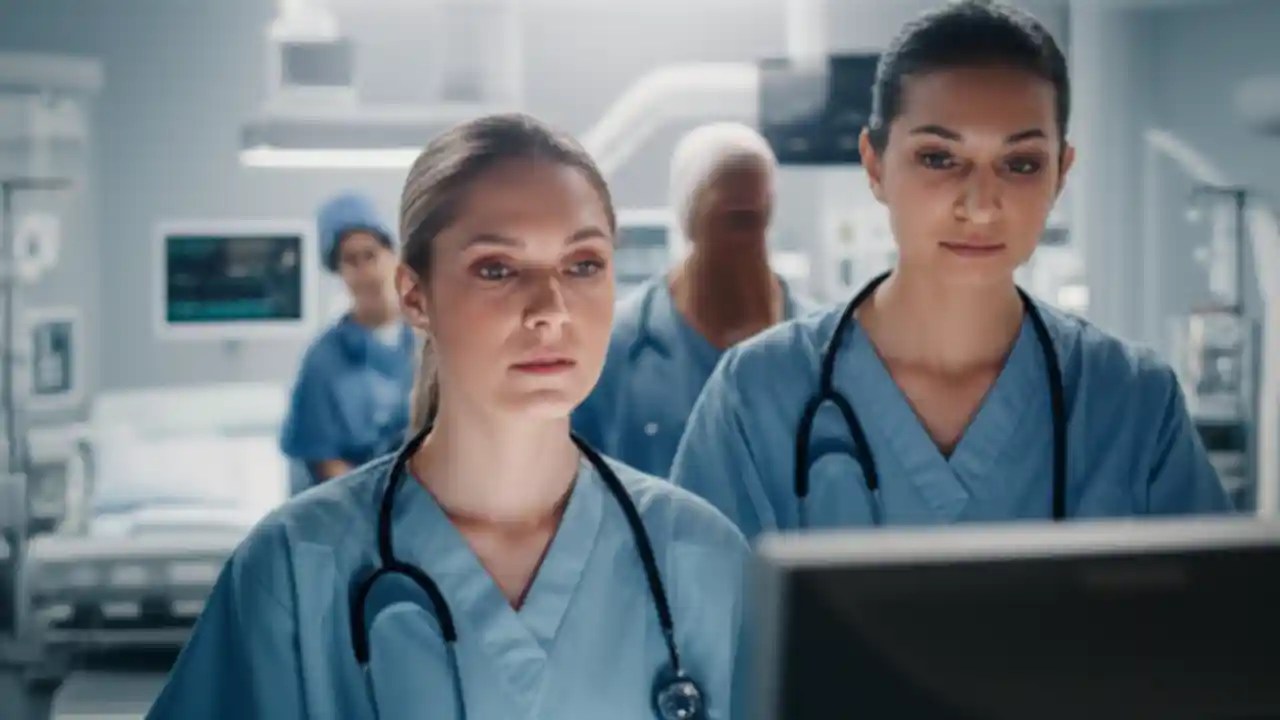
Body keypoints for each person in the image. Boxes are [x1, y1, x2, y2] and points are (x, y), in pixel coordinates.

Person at [147, 114, 749, 719]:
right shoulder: (296, 571)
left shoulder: (700, 559)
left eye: (583, 264)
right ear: (415, 297)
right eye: (497, 269)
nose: (550, 309)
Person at [670, 1, 1232, 542]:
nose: (981, 205)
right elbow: (693, 629)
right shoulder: (758, 397)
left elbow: (1216, 627)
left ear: (1061, 175)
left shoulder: (1130, 402)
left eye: (1021, 164)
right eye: (939, 158)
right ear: (874, 165)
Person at [574, 122, 810, 478]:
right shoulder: (610, 352)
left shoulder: (824, 351)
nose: (744, 244)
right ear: (689, 218)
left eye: (755, 221)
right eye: (729, 221)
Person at [279, 192, 416, 489]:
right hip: (357, 510)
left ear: (393, 255)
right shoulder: (324, 360)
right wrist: (376, 507)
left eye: (371, 254)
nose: (365, 271)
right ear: (338, 271)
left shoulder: (431, 342)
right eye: (351, 261)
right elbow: (323, 459)